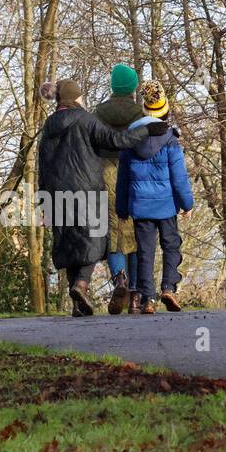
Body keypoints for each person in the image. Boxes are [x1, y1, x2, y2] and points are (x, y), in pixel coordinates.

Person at [38, 79, 166, 316]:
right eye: (80, 96)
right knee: (95, 241)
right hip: (86, 188)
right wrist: (146, 130)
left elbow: (42, 163)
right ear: (75, 98)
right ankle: (81, 285)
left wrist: (42, 201)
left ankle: (77, 303)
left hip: (55, 191)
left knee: (69, 244)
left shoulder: (49, 125)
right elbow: (116, 140)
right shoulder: (86, 120)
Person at [115, 81, 193, 314]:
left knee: (145, 252)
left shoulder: (130, 140)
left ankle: (148, 300)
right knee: (171, 245)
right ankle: (168, 287)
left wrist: (122, 208)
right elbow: (179, 177)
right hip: (166, 205)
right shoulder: (170, 140)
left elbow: (123, 179)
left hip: (141, 207)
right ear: (165, 110)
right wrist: (186, 203)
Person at [93, 63, 144, 314]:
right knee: (134, 229)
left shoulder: (98, 112)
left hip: (105, 171)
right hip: (133, 171)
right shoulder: (139, 113)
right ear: (132, 87)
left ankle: (119, 277)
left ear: (113, 85)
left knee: (112, 227)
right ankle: (135, 295)